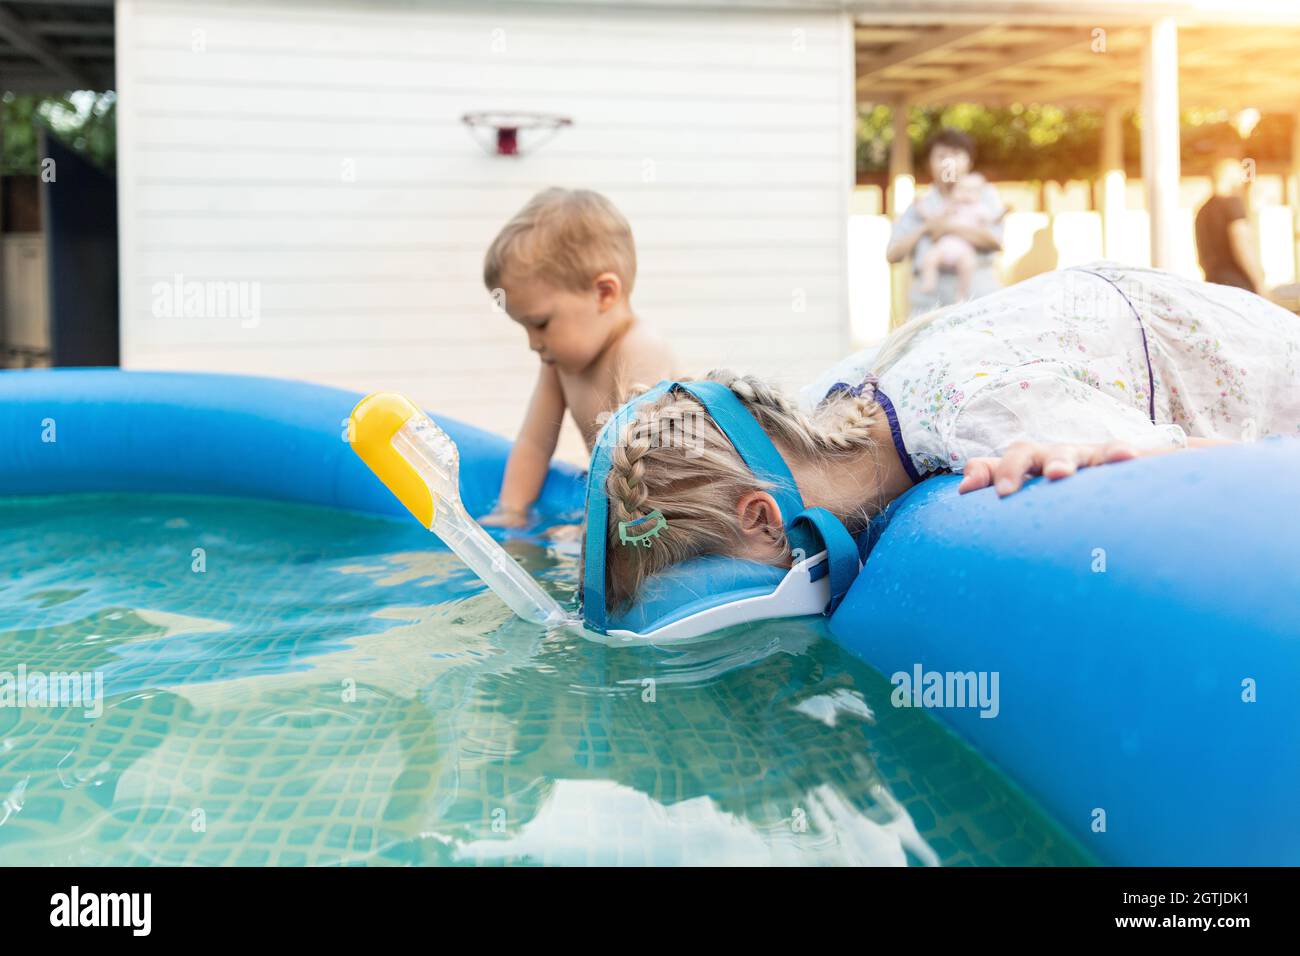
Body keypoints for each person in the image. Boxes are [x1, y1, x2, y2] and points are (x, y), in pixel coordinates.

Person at [591, 261, 1300, 613]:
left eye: (716, 586)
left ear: (760, 516)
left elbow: (1229, 472)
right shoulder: (829, 416)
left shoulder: (989, 416)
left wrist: (1106, 460)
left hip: (1248, 365)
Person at [479, 188, 676, 528]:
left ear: (603, 293)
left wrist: (596, 533)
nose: (532, 343)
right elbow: (534, 443)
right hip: (614, 501)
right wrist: (512, 511)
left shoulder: (639, 351)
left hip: (667, 511)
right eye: (524, 327)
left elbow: (656, 472)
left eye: (540, 324)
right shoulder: (558, 363)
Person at [886, 128, 1005, 317]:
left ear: (969, 161)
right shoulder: (920, 204)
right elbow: (893, 254)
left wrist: (947, 227)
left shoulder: (985, 195)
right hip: (927, 307)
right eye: (941, 156)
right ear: (929, 163)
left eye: (956, 155)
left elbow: (995, 241)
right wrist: (925, 228)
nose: (949, 163)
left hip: (979, 302)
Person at [915, 172, 995, 300]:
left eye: (972, 191)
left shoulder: (979, 208)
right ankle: (929, 281)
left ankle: (962, 292)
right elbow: (935, 218)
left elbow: (989, 221)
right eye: (962, 189)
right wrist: (923, 209)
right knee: (930, 258)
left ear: (979, 194)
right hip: (945, 244)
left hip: (964, 247)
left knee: (968, 265)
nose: (966, 194)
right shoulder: (950, 206)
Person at [1195, 156, 1267, 294]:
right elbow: (1242, 243)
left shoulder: (1202, 211)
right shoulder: (1233, 203)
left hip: (1212, 284)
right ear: (1230, 177)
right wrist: (1259, 282)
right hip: (1238, 285)